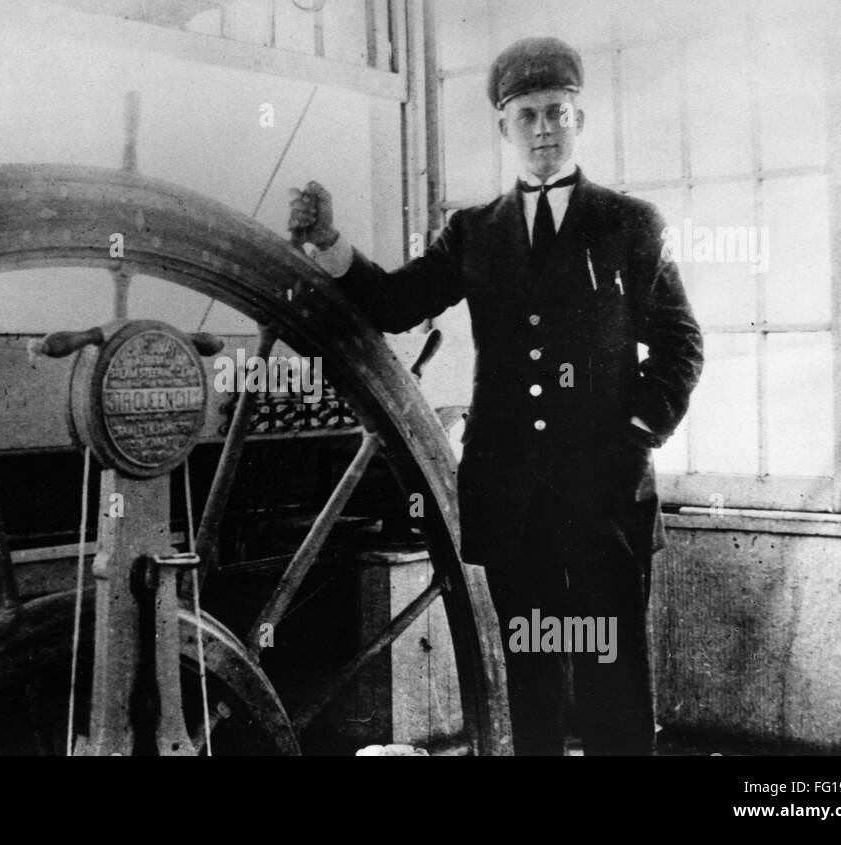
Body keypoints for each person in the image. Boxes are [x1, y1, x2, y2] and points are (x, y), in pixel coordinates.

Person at [288, 36, 703, 755]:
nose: (543, 129)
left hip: (605, 497)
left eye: (557, 113)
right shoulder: (474, 233)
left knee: (614, 681)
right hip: (513, 500)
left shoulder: (631, 224)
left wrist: (629, 432)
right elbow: (393, 301)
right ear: (504, 127)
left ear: (580, 120)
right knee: (531, 681)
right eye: (528, 116)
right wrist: (330, 245)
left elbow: (681, 344)